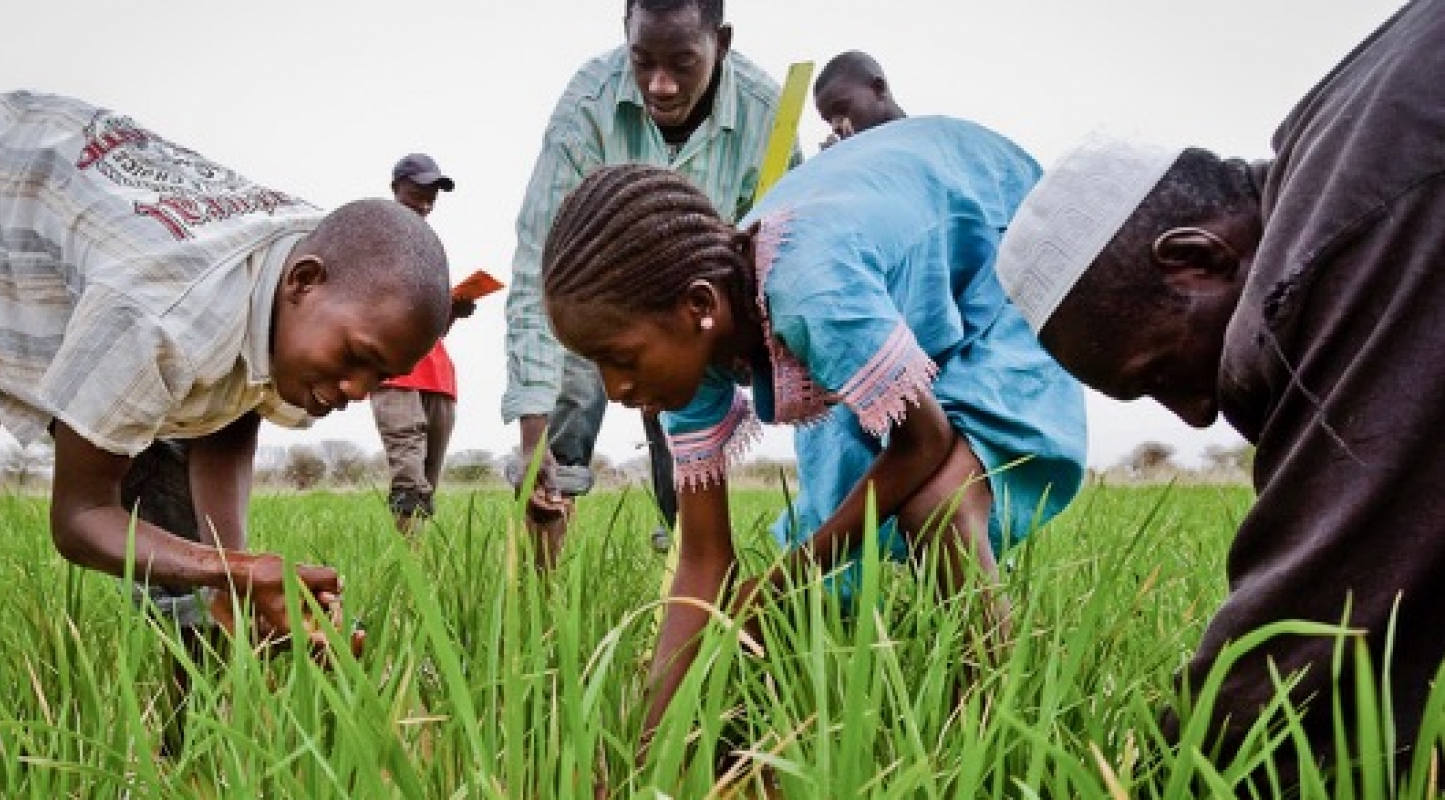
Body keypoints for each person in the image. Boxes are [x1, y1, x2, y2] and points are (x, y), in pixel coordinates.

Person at [0, 91, 450, 737]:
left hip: (82, 243)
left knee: (185, 551)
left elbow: (229, 403)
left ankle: (190, 750)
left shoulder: (311, 289)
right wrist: (241, 571)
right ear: (303, 282)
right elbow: (83, 519)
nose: (358, 390)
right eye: (356, 359)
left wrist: (236, 571)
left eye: (380, 376)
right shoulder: (163, 314)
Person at [992, 0, 1444, 780]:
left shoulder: (1324, 249)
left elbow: (1311, 635)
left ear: (1196, 258)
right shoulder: (1340, 146)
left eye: (1162, 375)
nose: (1199, 412)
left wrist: (1152, 781)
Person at [540, 117, 1088, 736]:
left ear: (699, 307)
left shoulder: (814, 295)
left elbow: (921, 443)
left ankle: (991, 738)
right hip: (879, 282)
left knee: (937, 502)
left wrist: (777, 582)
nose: (616, 392)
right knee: (833, 556)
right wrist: (652, 746)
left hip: (1004, 242)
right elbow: (701, 558)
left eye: (623, 358)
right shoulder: (696, 346)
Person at [501, 0, 790, 566]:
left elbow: (776, 249)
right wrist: (532, 427)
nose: (660, 85)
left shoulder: (764, 113)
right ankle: (538, 604)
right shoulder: (588, 104)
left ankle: (686, 570)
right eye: (643, 61)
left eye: (682, 63)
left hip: (694, 308)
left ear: (721, 43)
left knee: (686, 449)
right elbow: (539, 262)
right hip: (595, 300)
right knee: (555, 448)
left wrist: (745, 349)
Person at [371, 153, 472, 533]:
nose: (425, 202)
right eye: (418, 192)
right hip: (396, 374)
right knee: (409, 482)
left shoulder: (432, 245)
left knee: (428, 488)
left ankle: (421, 563)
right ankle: (408, 569)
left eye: (432, 195)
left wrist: (451, 312)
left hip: (438, 377)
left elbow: (427, 325)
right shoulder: (375, 236)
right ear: (396, 187)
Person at [813, 50, 906, 148]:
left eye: (842, 109)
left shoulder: (921, 143)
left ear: (878, 89)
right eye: (829, 121)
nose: (835, 127)